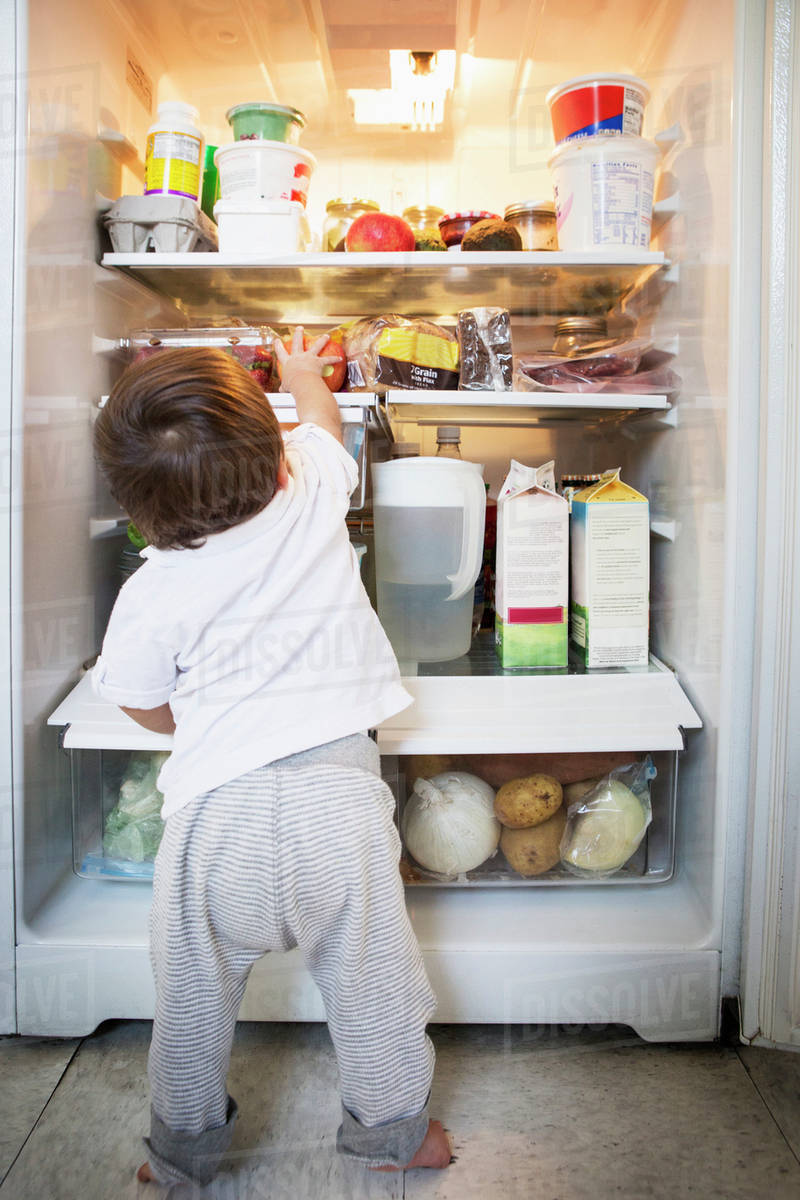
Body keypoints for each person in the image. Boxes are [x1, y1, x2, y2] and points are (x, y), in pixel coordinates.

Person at [92, 331, 451, 1188]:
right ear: (280, 460)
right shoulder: (313, 491)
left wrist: (202, 725)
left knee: (190, 1005)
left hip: (215, 827)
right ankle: (397, 1139)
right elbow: (323, 424)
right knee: (374, 991)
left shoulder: (150, 590)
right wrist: (299, 374)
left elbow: (136, 696)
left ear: (140, 514)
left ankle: (180, 1158)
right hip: (339, 812)